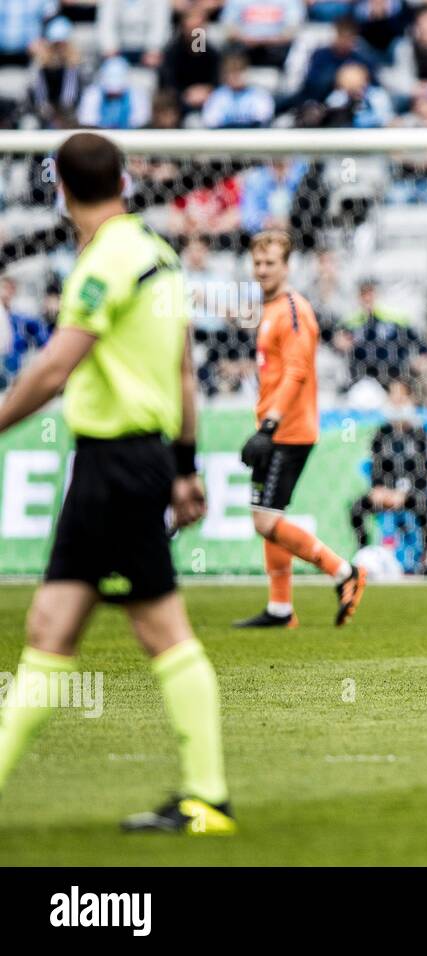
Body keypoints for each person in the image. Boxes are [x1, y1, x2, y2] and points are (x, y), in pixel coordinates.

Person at [0, 132, 234, 834]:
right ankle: (206, 795)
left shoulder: (103, 263)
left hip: (114, 466)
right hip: (137, 462)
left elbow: (53, 367)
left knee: (161, 629)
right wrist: (186, 465)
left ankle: (208, 796)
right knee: (51, 626)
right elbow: (184, 372)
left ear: (60, 190)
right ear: (126, 183)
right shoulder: (159, 255)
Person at [234, 230, 367, 628]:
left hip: (288, 431)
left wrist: (270, 425)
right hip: (273, 428)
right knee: (267, 514)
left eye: (270, 263)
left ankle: (344, 572)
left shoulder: (293, 310)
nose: (262, 270)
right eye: (257, 263)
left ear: (287, 267)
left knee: (266, 520)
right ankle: (280, 609)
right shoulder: (271, 308)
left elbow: (296, 373)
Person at [350, 379, 427, 573]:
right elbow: (376, 467)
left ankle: (425, 560)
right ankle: (364, 553)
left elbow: (424, 472)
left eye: (401, 397)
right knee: (356, 508)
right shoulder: (381, 433)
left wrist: (404, 493)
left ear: (410, 399)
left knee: (423, 507)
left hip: (409, 493)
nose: (396, 402)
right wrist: (379, 490)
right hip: (385, 491)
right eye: (393, 397)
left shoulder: (419, 434)